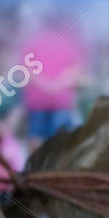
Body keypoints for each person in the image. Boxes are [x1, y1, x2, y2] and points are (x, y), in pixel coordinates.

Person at [21, 11, 87, 143]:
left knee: (40, 141)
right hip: (52, 101)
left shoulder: (34, 42)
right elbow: (76, 70)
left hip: (47, 101)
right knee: (56, 143)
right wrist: (56, 84)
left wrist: (47, 84)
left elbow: (25, 70)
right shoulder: (68, 42)